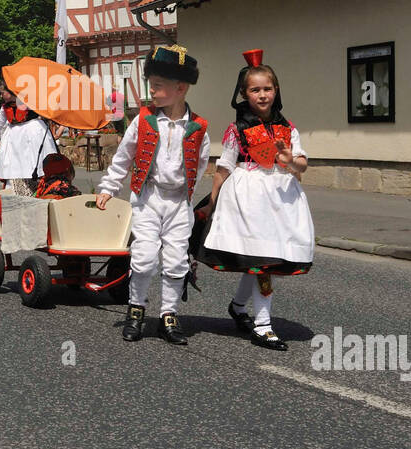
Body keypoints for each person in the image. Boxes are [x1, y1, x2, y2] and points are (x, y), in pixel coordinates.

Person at [194, 49, 314, 350]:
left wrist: (288, 159)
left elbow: (301, 166)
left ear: (276, 91)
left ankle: (238, 307)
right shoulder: (236, 130)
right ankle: (263, 326)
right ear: (244, 94)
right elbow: (225, 167)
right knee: (262, 260)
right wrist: (212, 200)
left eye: (268, 89)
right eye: (255, 89)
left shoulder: (289, 129)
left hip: (282, 200)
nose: (263, 95)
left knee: (260, 259)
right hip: (248, 199)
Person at [95, 46, 208, 345]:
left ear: (180, 88)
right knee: (144, 258)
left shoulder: (199, 127)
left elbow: (201, 162)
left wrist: (186, 199)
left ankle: (168, 316)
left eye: (157, 86)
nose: (152, 91)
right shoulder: (143, 120)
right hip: (147, 198)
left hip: (178, 202)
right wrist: (108, 188)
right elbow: (123, 158)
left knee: (175, 262)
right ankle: (136, 309)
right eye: (152, 85)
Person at [0, 84, 58, 197]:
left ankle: (38, 188)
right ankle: (16, 192)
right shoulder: (5, 107)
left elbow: (45, 110)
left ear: (10, 91)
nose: (1, 95)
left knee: (33, 162)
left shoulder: (28, 101)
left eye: (2, 93)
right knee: (15, 167)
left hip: (32, 133)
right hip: (14, 138)